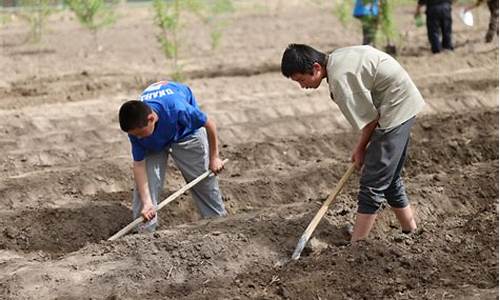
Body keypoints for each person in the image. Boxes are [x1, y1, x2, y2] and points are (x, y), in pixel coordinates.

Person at [280, 44, 425, 242]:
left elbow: (371, 120)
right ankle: (411, 231)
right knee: (388, 178)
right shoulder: (336, 58)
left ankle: (357, 246)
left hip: (395, 106)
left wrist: (360, 149)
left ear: (316, 68)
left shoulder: (340, 81)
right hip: (399, 99)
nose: (302, 86)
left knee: (372, 182)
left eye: (301, 80)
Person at [118, 80, 227, 233]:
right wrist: (148, 202)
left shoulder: (178, 109)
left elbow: (209, 124)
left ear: (151, 118)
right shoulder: (137, 131)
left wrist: (214, 157)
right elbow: (139, 165)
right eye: (135, 135)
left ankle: (219, 225)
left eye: (140, 134)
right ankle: (143, 235)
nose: (139, 138)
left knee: (202, 180)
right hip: (155, 141)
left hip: (185, 132)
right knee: (145, 192)